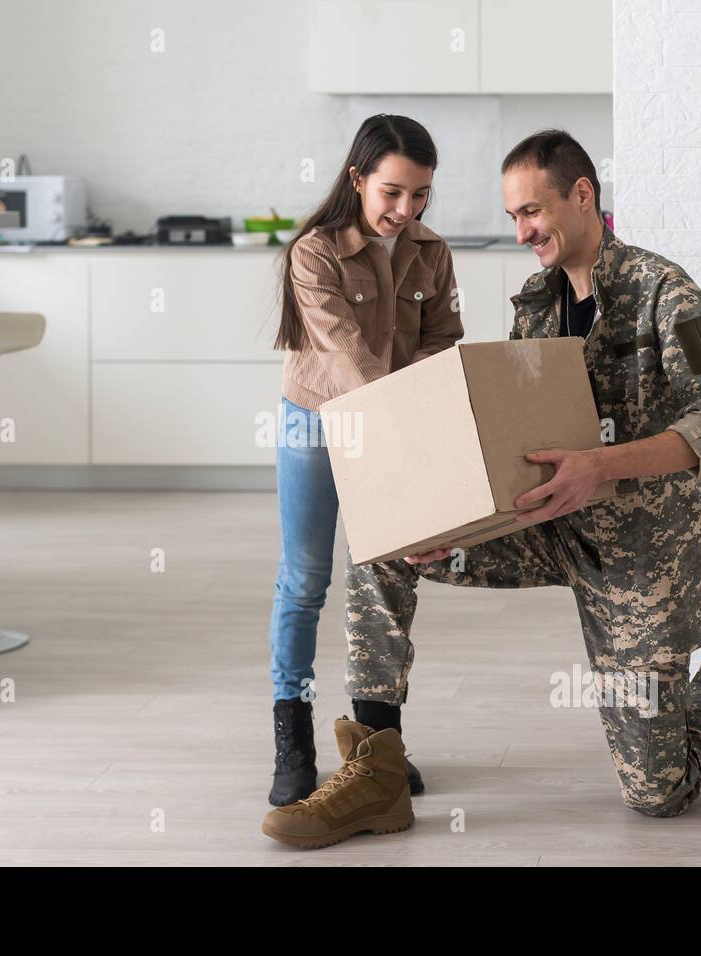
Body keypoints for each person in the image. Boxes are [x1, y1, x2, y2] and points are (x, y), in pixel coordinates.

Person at [262, 128, 701, 848]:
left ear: (582, 195)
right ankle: (377, 766)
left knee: (657, 792)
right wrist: (446, 511)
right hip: (547, 526)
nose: (523, 232)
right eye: (513, 218)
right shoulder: (534, 303)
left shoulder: (663, 289)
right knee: (390, 542)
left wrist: (603, 466)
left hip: (638, 555)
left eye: (532, 212)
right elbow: (512, 428)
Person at [265, 114, 463, 806]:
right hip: (319, 421)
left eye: (421, 195)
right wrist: (407, 424)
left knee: (382, 575)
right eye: (392, 193)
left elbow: (445, 337)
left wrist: (421, 401)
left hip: (393, 421)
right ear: (357, 179)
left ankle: (376, 746)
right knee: (306, 579)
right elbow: (348, 356)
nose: (405, 210)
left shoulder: (432, 252)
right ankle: (293, 741)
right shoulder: (313, 254)